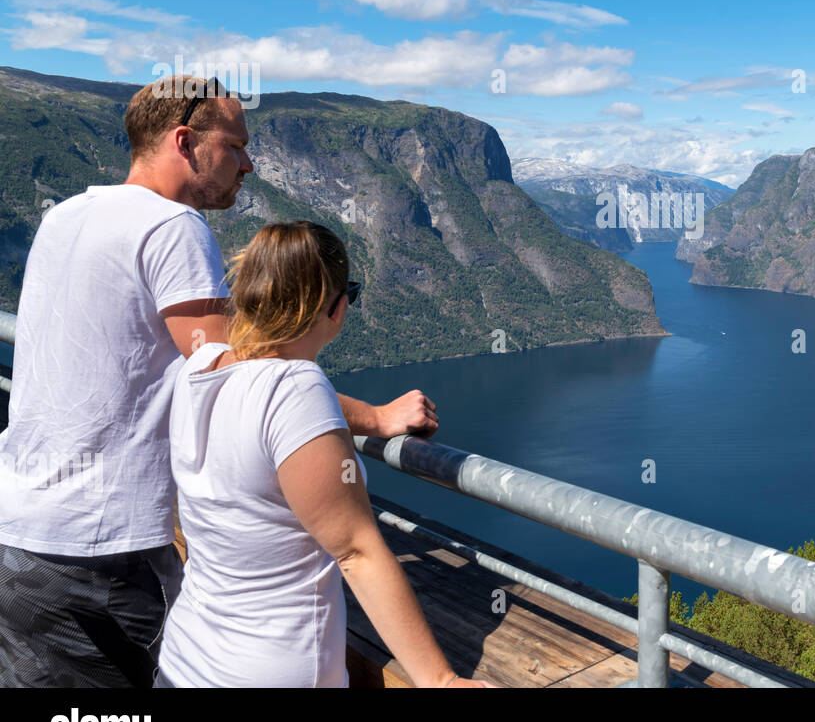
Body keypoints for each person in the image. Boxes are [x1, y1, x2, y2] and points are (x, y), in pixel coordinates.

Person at [0, 76, 438, 688]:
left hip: (20, 527)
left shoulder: (68, 214)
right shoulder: (170, 227)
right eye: (234, 146)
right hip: (103, 546)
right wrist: (381, 418)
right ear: (186, 142)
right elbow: (243, 375)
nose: (248, 163)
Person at [156, 221, 490, 687]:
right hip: (276, 671)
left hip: (188, 659)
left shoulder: (198, 367)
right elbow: (357, 552)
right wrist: (441, 681)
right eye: (349, 292)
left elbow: (275, 401)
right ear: (334, 308)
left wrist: (375, 416)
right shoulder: (296, 388)